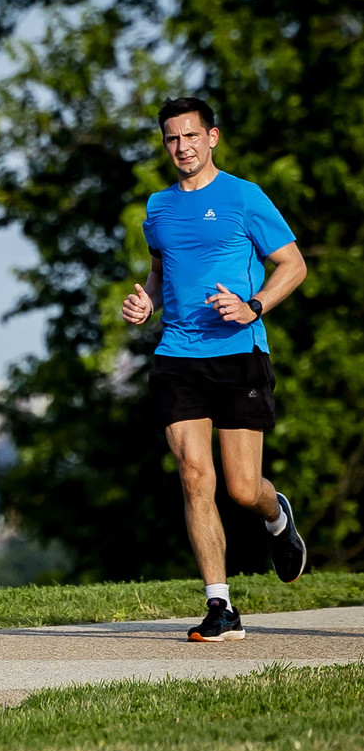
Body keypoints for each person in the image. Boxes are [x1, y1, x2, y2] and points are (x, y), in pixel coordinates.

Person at [122, 96, 308, 643]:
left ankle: (277, 516)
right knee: (194, 476)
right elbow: (160, 271)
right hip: (178, 357)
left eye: (189, 136)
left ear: (212, 137)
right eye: (171, 139)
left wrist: (254, 305)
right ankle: (219, 605)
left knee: (243, 487)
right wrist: (147, 303)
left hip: (239, 353)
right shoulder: (157, 208)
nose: (181, 147)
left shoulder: (244, 197)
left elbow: (292, 265)